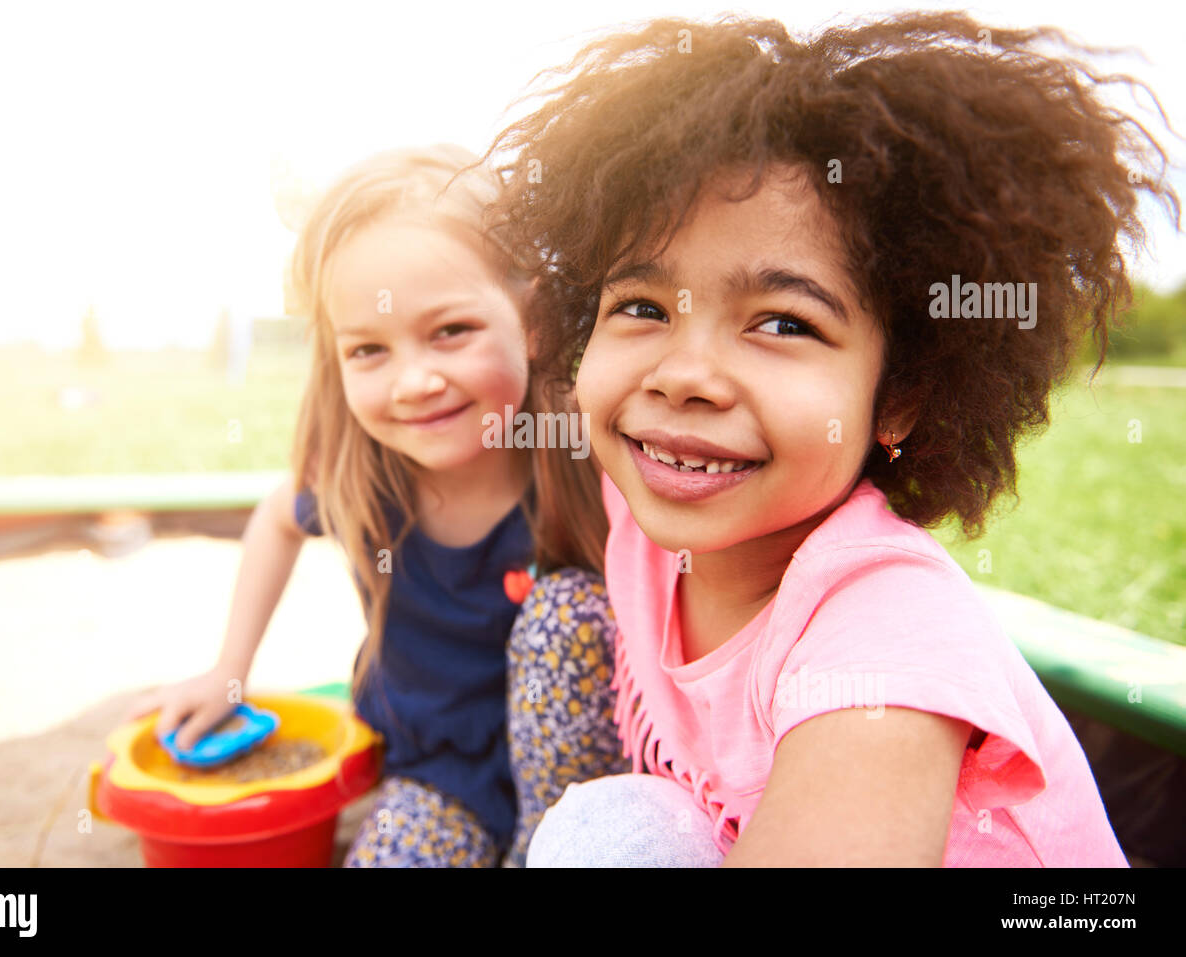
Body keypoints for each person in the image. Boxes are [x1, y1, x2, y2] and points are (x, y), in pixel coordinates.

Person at [483, 12, 1178, 866]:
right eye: (643, 307)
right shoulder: (642, 496)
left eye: (782, 321)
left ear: (902, 396)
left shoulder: (882, 637)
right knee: (619, 827)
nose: (682, 372)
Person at [127, 145, 622, 867]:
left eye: (451, 332)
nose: (415, 380)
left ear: (535, 318)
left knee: (568, 610)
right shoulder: (367, 478)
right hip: (434, 778)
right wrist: (230, 670)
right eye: (368, 350)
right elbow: (275, 519)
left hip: (572, 800)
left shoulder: (581, 456)